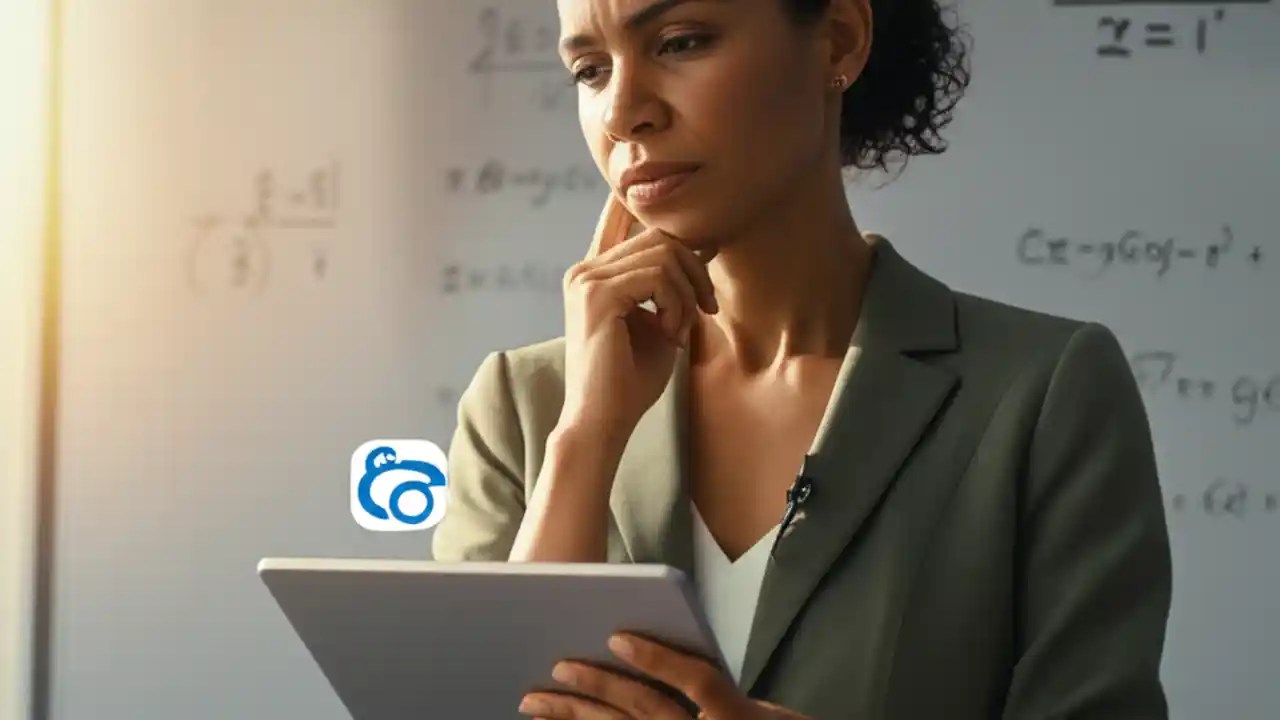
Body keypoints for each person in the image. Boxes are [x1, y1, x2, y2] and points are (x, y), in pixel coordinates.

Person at [432, 0, 1174, 717]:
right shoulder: (521, 405)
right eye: (590, 71)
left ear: (839, 39)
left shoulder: (1042, 391)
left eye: (681, 42)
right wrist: (585, 437)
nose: (623, 114)